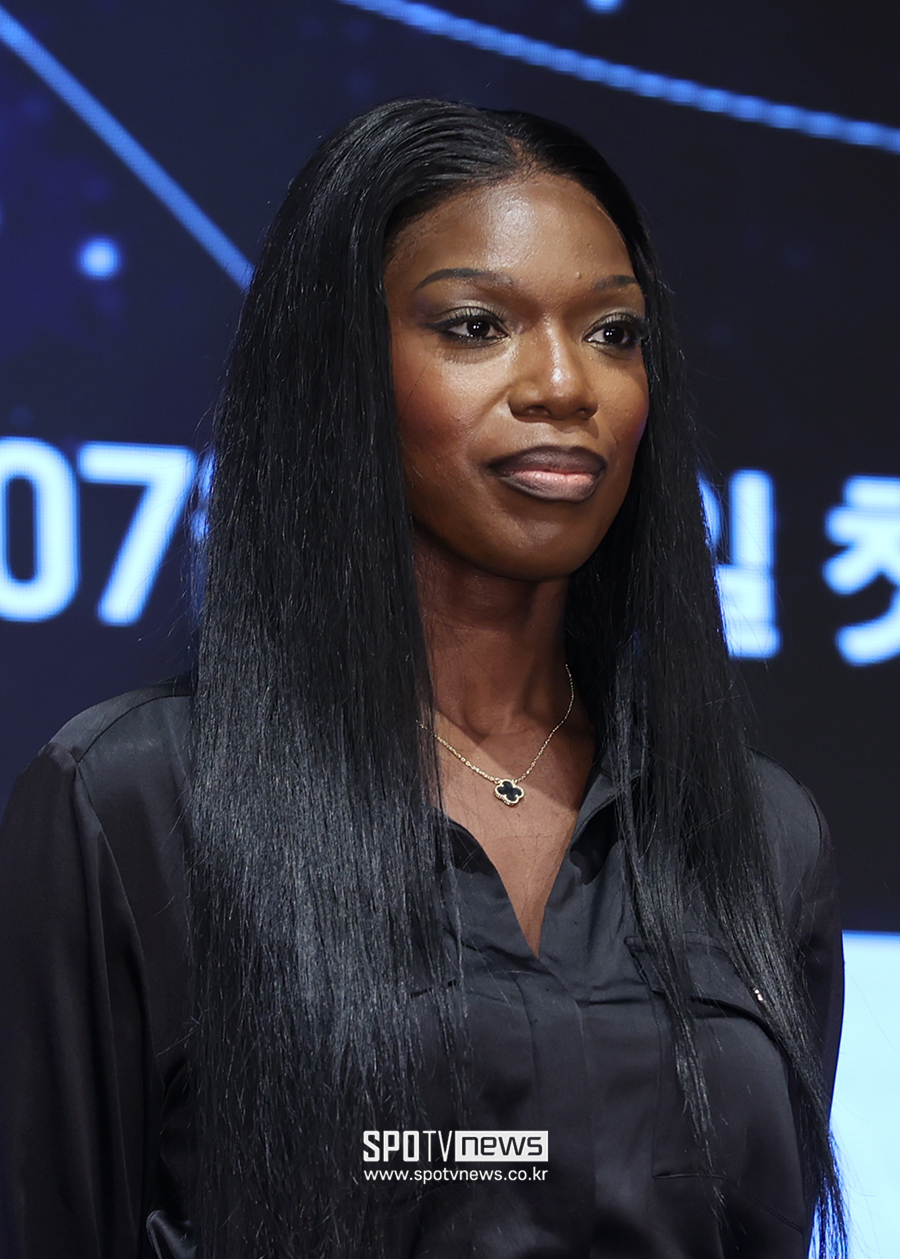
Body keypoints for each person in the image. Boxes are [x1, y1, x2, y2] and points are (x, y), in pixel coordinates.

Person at [0, 99, 845, 1259]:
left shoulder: (760, 836)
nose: (565, 383)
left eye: (613, 332)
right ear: (341, 368)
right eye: (476, 325)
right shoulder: (137, 803)